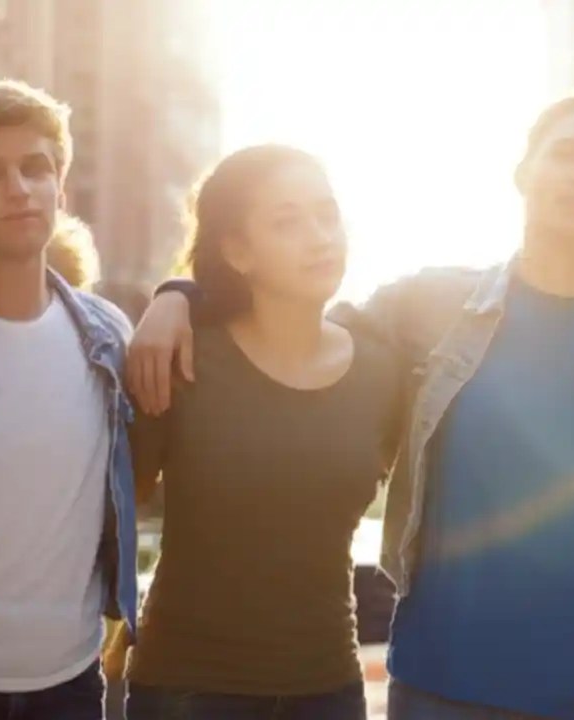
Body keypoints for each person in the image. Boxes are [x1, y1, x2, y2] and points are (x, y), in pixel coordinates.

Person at [125, 91, 574, 720]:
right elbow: (292, 326)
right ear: (523, 171)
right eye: (566, 153)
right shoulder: (428, 306)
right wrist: (179, 295)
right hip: (438, 686)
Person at [118, 144, 400, 720]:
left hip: (329, 690)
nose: (320, 236)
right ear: (237, 250)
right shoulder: (183, 357)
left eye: (327, 214)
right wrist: (176, 294)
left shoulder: (382, 368)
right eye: (287, 222)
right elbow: (113, 511)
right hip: (187, 691)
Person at [0, 80, 138, 720]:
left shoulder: (110, 339)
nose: (20, 188)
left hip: (69, 686)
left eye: (36, 167)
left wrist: (184, 294)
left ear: (60, 188)